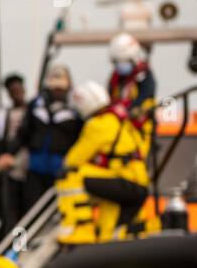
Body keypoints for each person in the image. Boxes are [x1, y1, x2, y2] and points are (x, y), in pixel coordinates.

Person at [55, 80, 150, 244]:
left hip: (125, 181)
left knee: (69, 175)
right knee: (108, 232)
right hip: (134, 182)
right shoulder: (120, 119)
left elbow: (73, 159)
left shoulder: (98, 124)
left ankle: (79, 228)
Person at [19, 63, 83, 212]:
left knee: (59, 211)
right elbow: (24, 133)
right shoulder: (36, 106)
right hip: (35, 169)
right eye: (54, 87)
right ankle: (27, 236)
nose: (57, 91)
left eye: (61, 88)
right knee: (32, 210)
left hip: (61, 170)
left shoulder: (75, 110)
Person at [0, 73, 29, 234]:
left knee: (28, 211)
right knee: (11, 213)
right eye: (13, 91)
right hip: (9, 173)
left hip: (28, 169)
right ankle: (17, 249)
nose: (17, 93)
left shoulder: (33, 111)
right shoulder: (2, 116)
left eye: (19, 89)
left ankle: (25, 246)